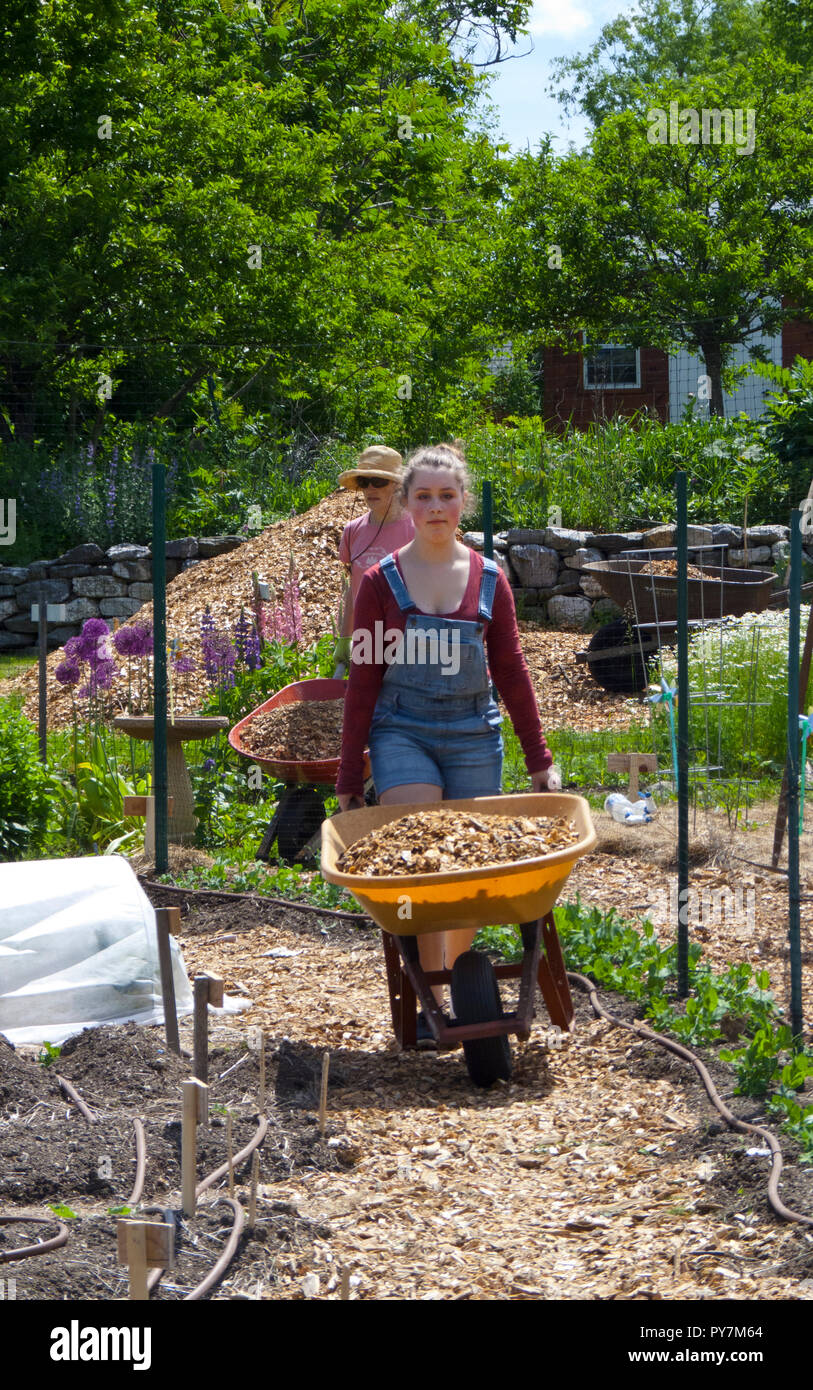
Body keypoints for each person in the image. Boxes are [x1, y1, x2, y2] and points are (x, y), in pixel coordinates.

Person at [336, 441, 560, 1036]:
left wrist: (539, 758)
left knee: (468, 870)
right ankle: (431, 988)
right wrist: (347, 772)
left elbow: (510, 669)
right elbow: (364, 677)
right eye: (424, 496)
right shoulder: (380, 582)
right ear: (406, 504)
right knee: (420, 843)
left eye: (448, 495)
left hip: (471, 733)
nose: (437, 506)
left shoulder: (489, 579)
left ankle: (457, 979)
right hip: (402, 730)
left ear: (464, 501)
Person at [333, 446, 414, 672]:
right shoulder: (352, 531)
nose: (370, 488)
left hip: (407, 642)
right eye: (364, 481)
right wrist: (345, 637)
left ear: (397, 485)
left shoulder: (417, 531)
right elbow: (353, 587)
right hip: (366, 641)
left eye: (379, 482)